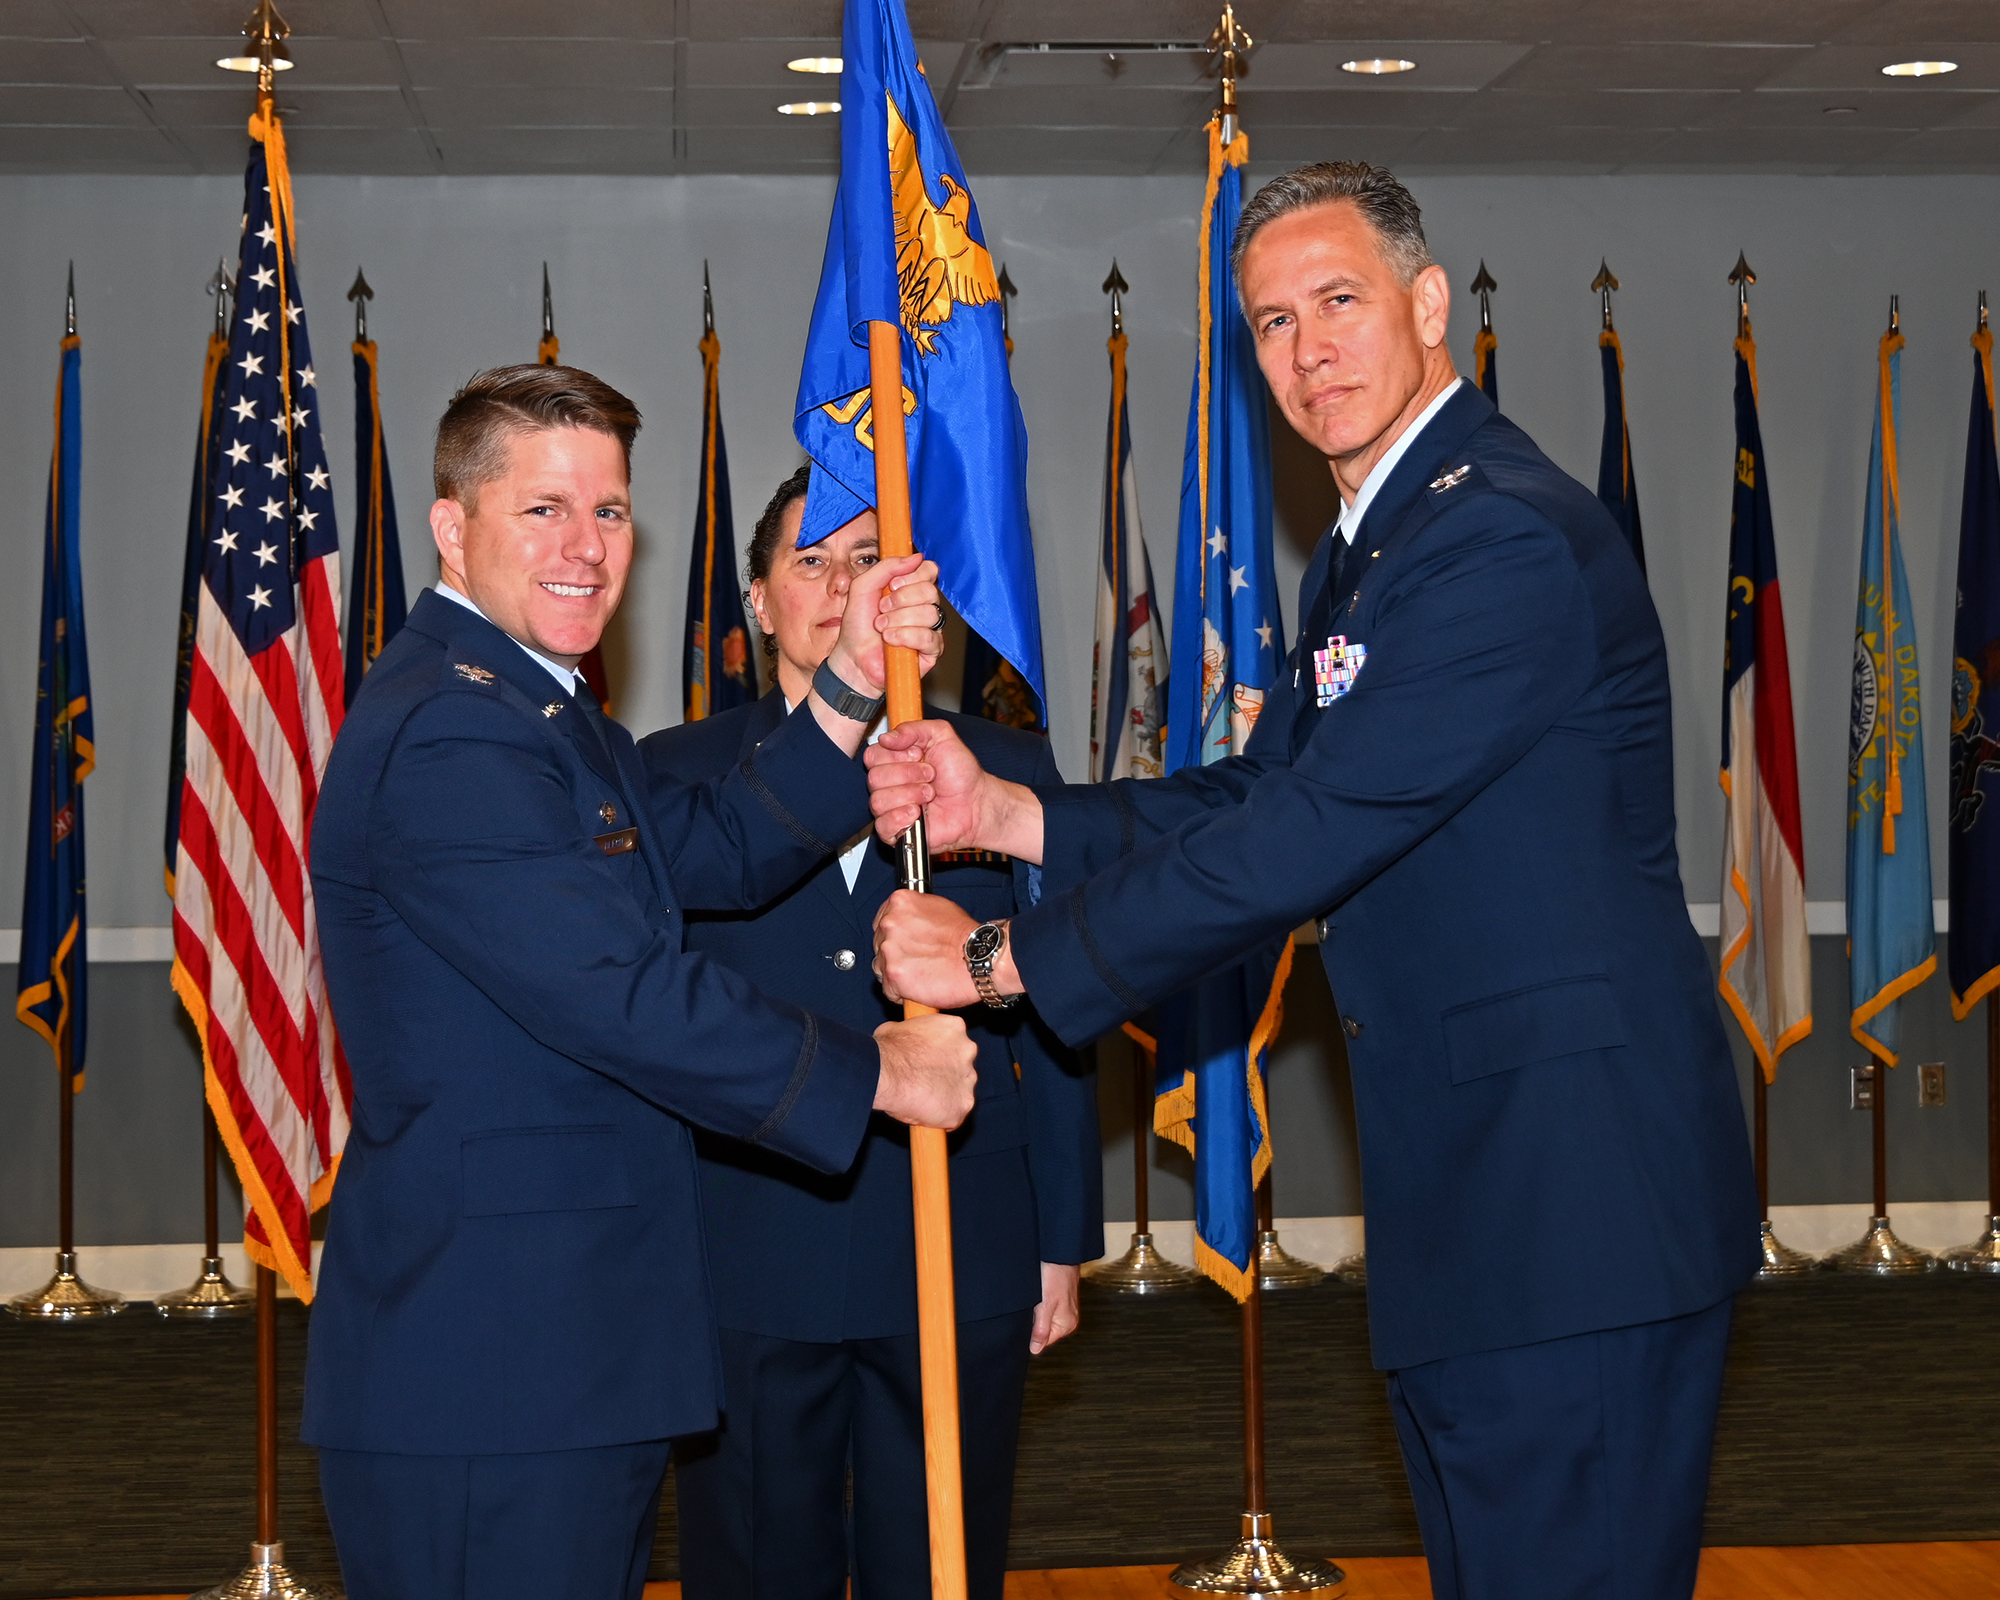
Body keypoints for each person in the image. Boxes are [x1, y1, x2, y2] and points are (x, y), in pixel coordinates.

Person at [866, 165, 1760, 1600]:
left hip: (1572, 1209)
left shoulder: (1496, 539)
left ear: (1424, 306)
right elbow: (1255, 794)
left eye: (1339, 303)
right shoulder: (1381, 549)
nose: (1306, 350)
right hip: (1489, 1207)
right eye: (1271, 324)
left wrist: (1000, 966)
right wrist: (1019, 816)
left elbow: (1315, 828)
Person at [304, 364, 979, 1600]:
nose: (586, 547)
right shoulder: (452, 733)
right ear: (453, 526)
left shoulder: (542, 715)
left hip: (563, 1352)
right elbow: (617, 987)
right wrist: (876, 1068)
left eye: (609, 511)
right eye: (543, 509)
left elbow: (717, 843)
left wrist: (842, 682)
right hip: (489, 1370)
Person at [639, 463, 1100, 1600]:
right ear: (756, 599)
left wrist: (1060, 1236)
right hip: (750, 1252)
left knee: (941, 1561)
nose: (841, 589)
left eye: (864, 561)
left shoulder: (1005, 771)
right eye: (809, 562)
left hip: (959, 1240)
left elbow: (1058, 1015)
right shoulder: (673, 779)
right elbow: (654, 1022)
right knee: (753, 1564)